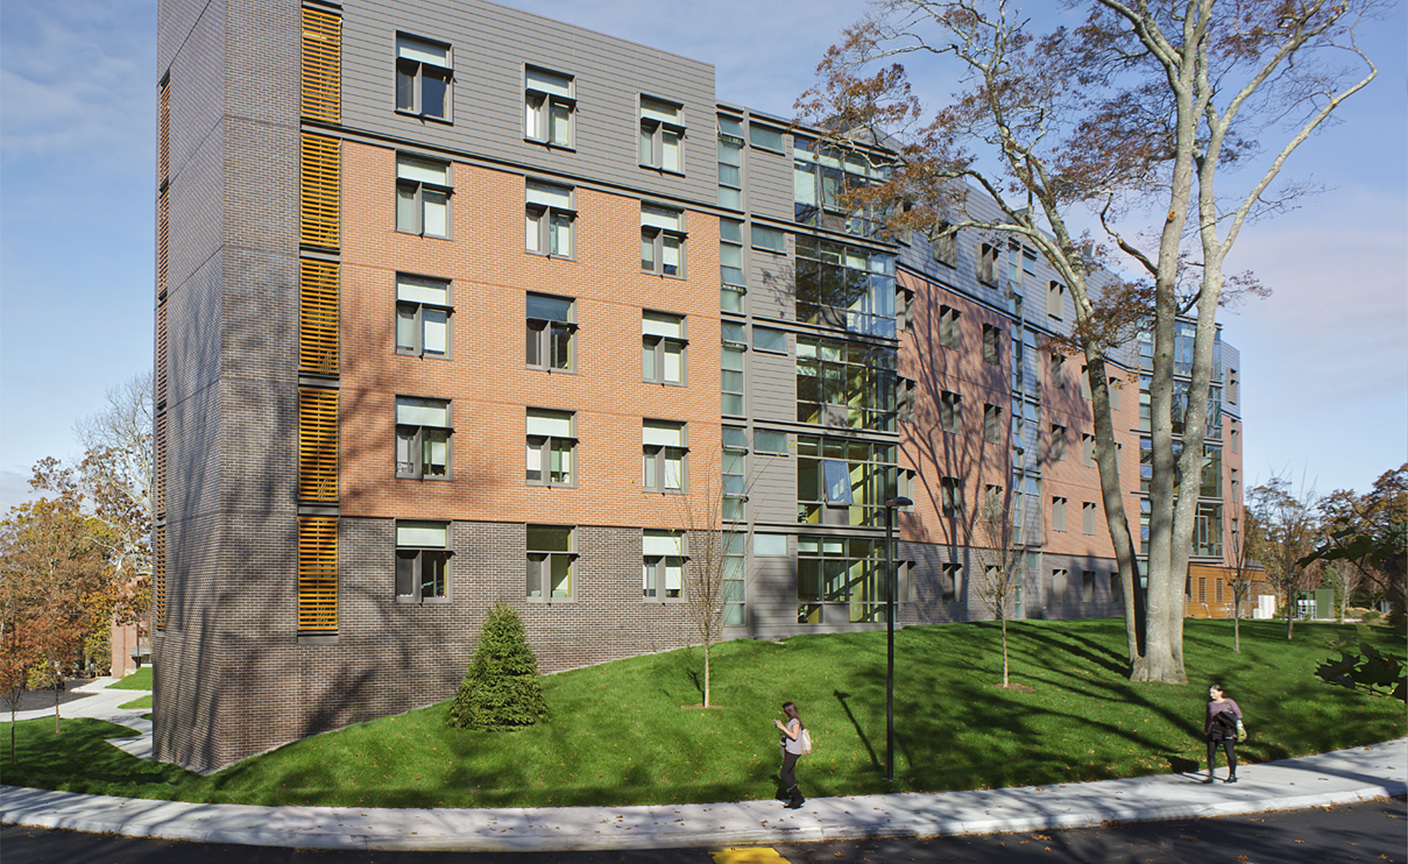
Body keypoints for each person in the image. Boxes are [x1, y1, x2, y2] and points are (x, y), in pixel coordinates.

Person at [1204, 683, 1243, 783]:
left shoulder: (1229, 702)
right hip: (1214, 731)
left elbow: (1238, 714)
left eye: (1213, 693)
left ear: (1220, 692)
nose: (1211, 695)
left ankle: (1232, 775)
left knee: (1230, 754)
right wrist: (1206, 729)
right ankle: (1211, 776)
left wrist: (1225, 716)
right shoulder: (1210, 704)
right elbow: (1208, 718)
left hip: (1227, 731)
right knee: (1211, 753)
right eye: (1210, 693)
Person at [773, 701, 806, 809]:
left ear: (789, 711)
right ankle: (794, 800)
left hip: (793, 751)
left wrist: (782, 727)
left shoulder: (795, 722)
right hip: (789, 750)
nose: (784, 713)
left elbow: (794, 736)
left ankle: (798, 796)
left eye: (784, 711)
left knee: (784, 773)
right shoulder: (792, 721)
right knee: (791, 774)